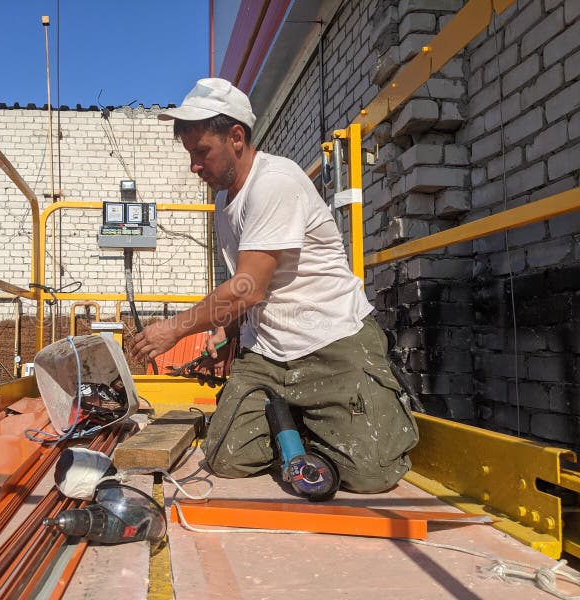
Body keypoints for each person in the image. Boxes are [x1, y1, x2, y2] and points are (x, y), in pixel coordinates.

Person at [131, 78, 418, 493]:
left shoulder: (274, 182)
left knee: (369, 474)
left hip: (331, 342)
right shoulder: (224, 200)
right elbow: (256, 285)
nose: (194, 166)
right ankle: (300, 413)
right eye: (190, 154)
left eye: (201, 152)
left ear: (236, 137)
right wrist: (226, 331)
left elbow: (248, 287)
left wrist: (172, 329)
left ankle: (339, 413)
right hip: (269, 354)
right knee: (227, 457)